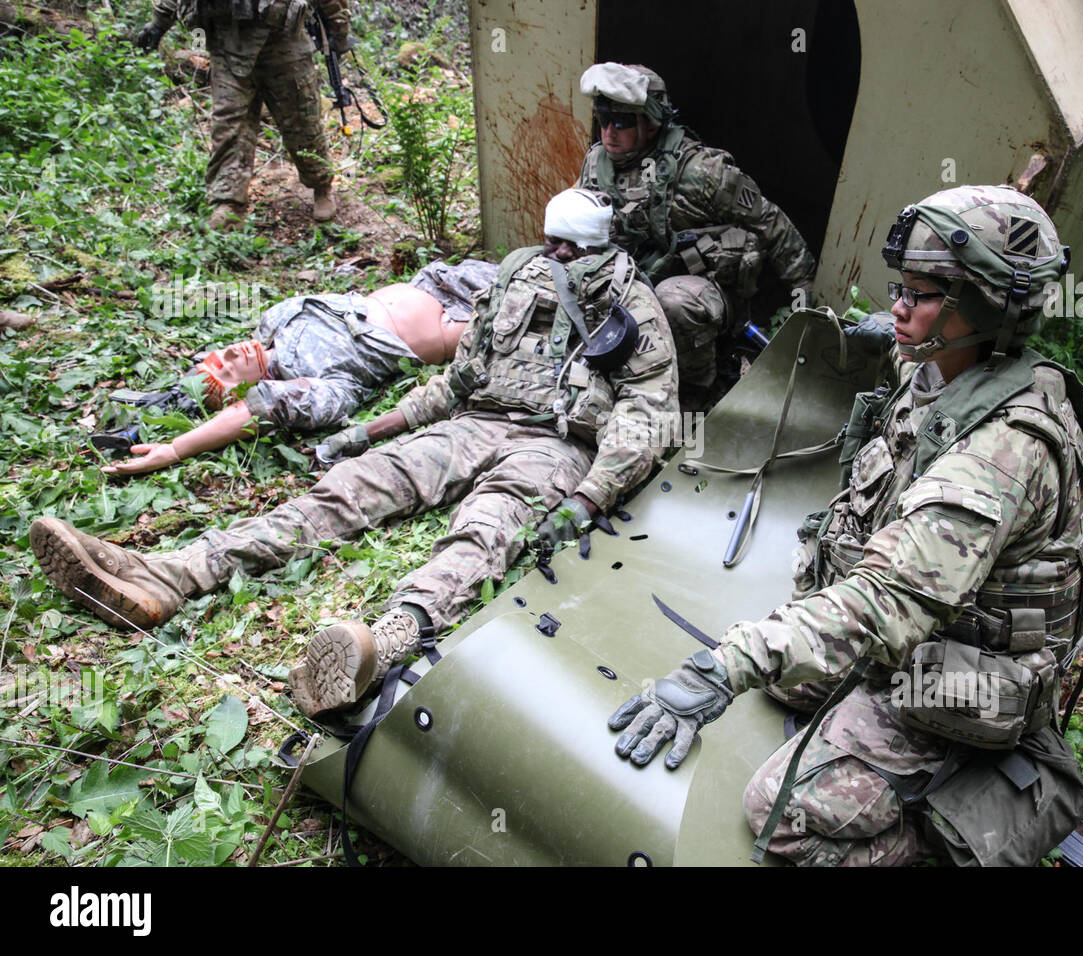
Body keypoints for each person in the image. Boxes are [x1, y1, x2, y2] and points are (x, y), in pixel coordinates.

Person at [33, 188, 679, 719]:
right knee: (347, 490)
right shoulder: (516, 276)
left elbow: (646, 416)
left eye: (576, 247)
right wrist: (366, 433)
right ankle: (172, 573)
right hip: (474, 424)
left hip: (558, 447)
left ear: (603, 244)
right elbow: (457, 382)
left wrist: (589, 497)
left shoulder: (633, 305)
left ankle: (380, 646)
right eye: (554, 243)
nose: (562, 257)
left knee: (482, 535)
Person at [608, 185, 1083, 867]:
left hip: (962, 678)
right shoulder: (948, 362)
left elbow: (883, 606)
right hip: (924, 635)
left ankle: (957, 828)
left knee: (780, 811)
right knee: (791, 679)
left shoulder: (1000, 457)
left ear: (988, 306)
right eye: (899, 288)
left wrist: (720, 671)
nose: (899, 307)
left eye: (924, 295)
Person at [99, 258, 498, 476]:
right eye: (227, 370)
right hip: (462, 323)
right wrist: (174, 448)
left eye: (220, 355)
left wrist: (167, 398)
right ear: (239, 391)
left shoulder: (274, 321)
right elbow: (253, 411)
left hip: (437, 280)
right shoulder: (317, 387)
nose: (233, 354)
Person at [575, 62, 817, 406]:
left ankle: (696, 394)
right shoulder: (597, 164)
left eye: (623, 122)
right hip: (632, 281)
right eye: (602, 119)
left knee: (673, 301)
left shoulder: (702, 171)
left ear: (652, 121)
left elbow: (772, 225)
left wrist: (803, 309)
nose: (609, 132)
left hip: (702, 291)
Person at [134, 0, 351, 229]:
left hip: (283, 41)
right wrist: (158, 23)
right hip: (227, 44)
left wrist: (339, 28)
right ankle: (228, 202)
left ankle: (321, 186)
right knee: (229, 125)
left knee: (302, 122)